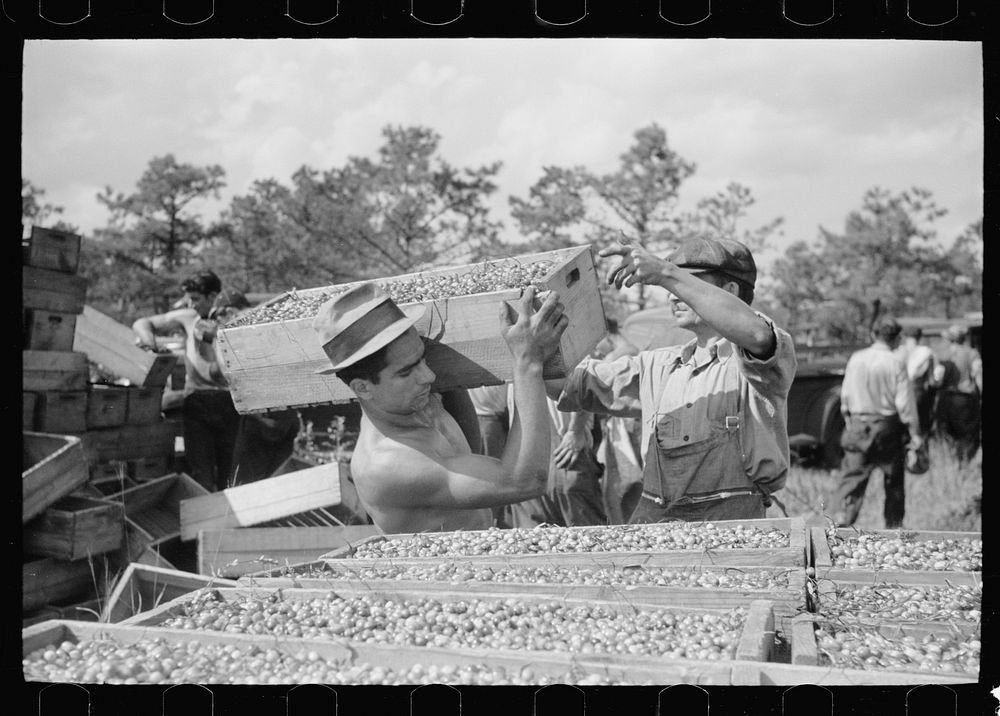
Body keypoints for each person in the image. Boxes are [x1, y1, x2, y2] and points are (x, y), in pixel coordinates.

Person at [548, 236, 797, 523]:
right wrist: (529, 349)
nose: (672, 295)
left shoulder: (758, 364)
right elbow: (567, 386)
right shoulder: (658, 365)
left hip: (732, 520)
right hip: (655, 517)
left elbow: (756, 334)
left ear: (730, 290)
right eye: (670, 286)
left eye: (686, 285)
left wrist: (665, 273)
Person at [311, 281, 569, 534]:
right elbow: (523, 482)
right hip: (457, 574)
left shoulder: (415, 404)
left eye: (422, 358)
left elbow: (469, 451)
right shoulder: (388, 463)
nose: (429, 377)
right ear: (363, 388)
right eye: (406, 372)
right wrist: (527, 361)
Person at [133, 269, 243, 492]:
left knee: (229, 476)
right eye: (189, 299)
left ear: (213, 297)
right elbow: (142, 322)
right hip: (197, 403)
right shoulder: (188, 317)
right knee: (199, 475)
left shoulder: (231, 317)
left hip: (229, 403)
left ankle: (225, 524)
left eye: (196, 299)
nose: (191, 304)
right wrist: (149, 340)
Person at [828, 317, 924, 529]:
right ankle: (894, 528)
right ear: (897, 338)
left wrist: (851, 423)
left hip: (857, 425)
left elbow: (845, 398)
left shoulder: (856, 358)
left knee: (851, 479)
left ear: (873, 335)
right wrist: (916, 436)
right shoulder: (895, 362)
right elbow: (905, 406)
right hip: (886, 428)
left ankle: (837, 525)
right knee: (893, 481)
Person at [207, 288, 303, 486]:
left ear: (228, 310)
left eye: (217, 316)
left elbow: (228, 374)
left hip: (262, 418)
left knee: (243, 485)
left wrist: (217, 337)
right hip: (288, 414)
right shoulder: (272, 323)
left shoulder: (236, 329)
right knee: (279, 483)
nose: (218, 321)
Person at [501, 390, 607, 528]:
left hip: (560, 449)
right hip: (540, 451)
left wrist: (575, 431)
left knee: (586, 536)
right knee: (536, 540)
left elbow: (582, 389)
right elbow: (583, 389)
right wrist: (575, 431)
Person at [935, 323, 982, 462]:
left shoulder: (942, 354)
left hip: (945, 399)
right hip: (964, 400)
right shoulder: (971, 353)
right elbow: (978, 376)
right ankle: (964, 464)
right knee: (967, 435)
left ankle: (951, 463)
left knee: (948, 433)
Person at [893, 325, 939, 436]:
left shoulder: (898, 352)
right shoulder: (927, 353)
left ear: (905, 337)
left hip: (898, 392)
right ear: (920, 337)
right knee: (921, 425)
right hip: (918, 391)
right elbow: (933, 379)